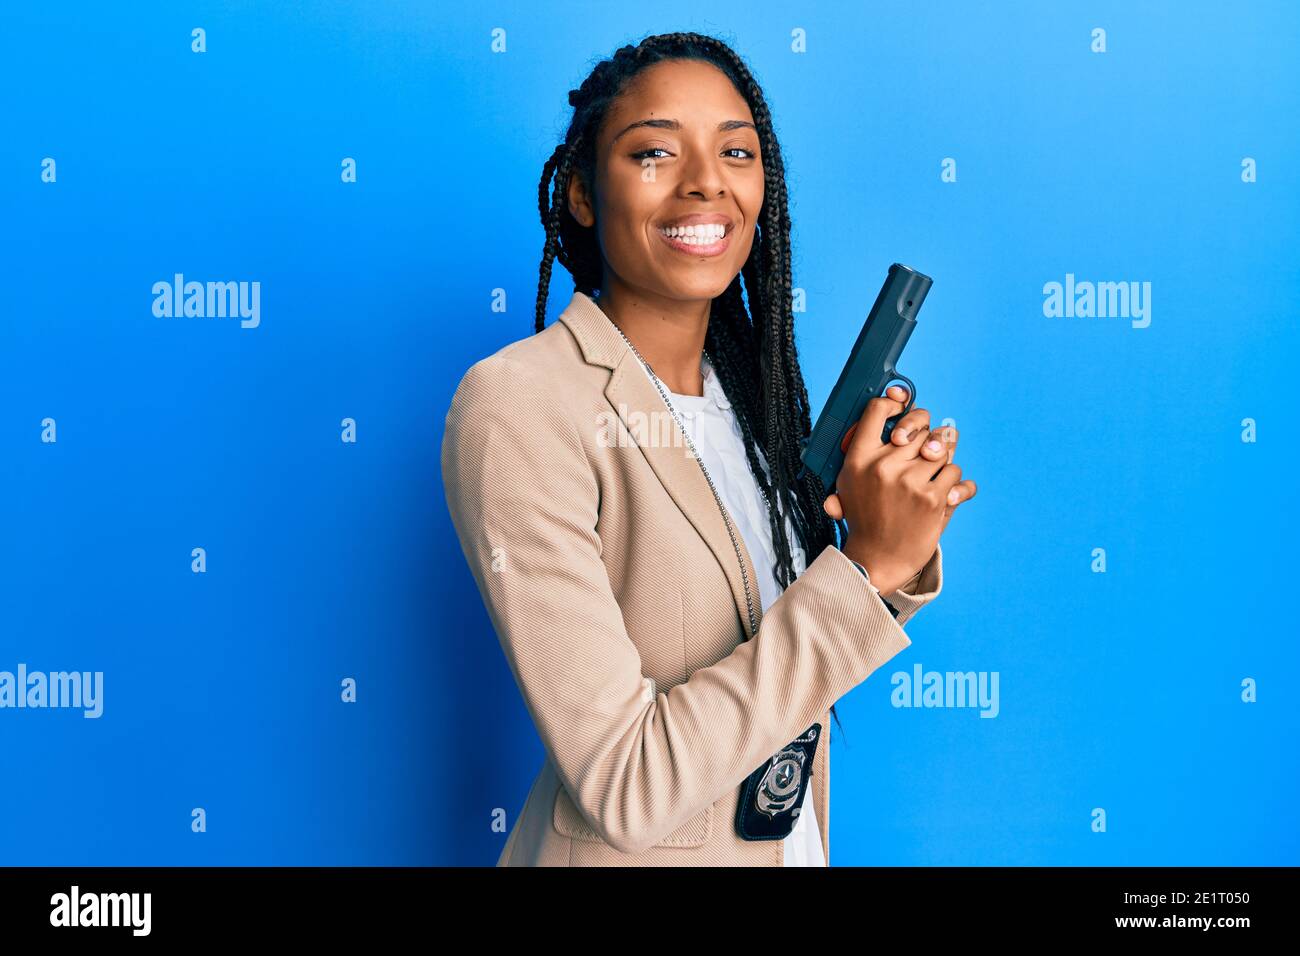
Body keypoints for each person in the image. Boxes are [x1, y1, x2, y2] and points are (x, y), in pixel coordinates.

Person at [441, 31, 976, 866]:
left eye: (736, 151)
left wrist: (892, 546)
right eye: (653, 151)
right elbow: (623, 782)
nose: (705, 183)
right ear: (581, 193)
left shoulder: (754, 407)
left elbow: (793, 655)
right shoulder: (520, 405)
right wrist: (862, 572)